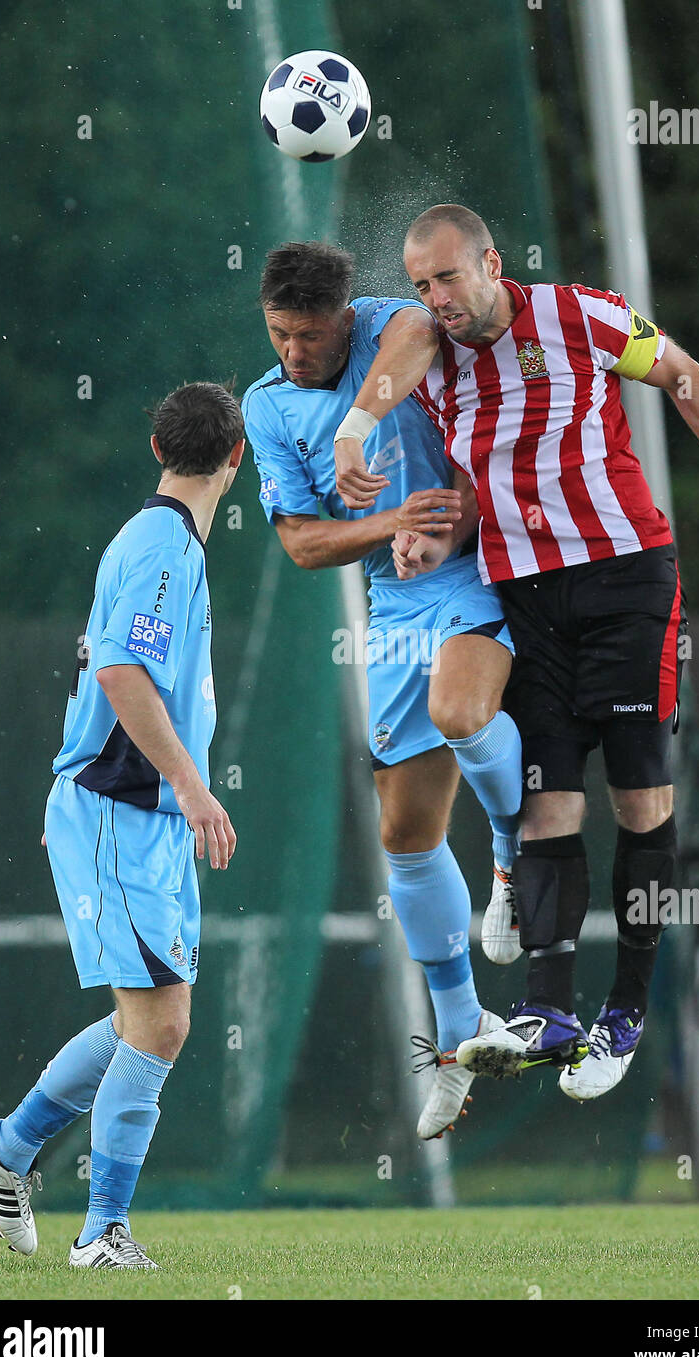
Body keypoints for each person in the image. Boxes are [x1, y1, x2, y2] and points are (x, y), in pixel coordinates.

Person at [334, 203, 699, 1101]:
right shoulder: (435, 365)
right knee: (549, 801)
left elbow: (682, 374)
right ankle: (548, 1013)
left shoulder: (576, 313)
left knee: (638, 796)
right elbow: (477, 477)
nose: (437, 300)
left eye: (448, 278)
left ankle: (622, 1012)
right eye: (422, 285)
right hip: (528, 600)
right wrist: (439, 537)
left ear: (491, 263)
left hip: (626, 577)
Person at [242, 240, 526, 1140]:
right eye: (280, 334)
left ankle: (514, 859)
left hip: (482, 573)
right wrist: (388, 526)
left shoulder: (392, 326)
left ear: (346, 316)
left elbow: (415, 330)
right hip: (395, 606)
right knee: (406, 834)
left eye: (311, 334)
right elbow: (300, 543)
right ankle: (460, 1029)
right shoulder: (266, 405)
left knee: (461, 708)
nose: (296, 351)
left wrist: (362, 434)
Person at [0, 382, 242, 1266]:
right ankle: (101, 1231)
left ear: (157, 448)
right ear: (238, 460)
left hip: (127, 814)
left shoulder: (155, 541)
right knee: (159, 1023)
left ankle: (5, 1150)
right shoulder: (165, 548)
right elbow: (120, 672)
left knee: (148, 1022)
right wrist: (193, 788)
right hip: (127, 812)